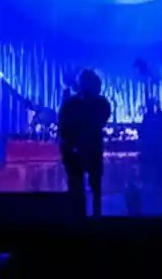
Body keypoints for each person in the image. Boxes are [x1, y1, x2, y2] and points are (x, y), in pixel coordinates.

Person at [58, 69, 112, 216]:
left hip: (89, 148)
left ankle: (92, 217)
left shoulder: (100, 103)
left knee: (93, 186)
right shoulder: (73, 104)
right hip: (76, 150)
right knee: (78, 187)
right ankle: (82, 218)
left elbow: (100, 121)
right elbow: (63, 127)